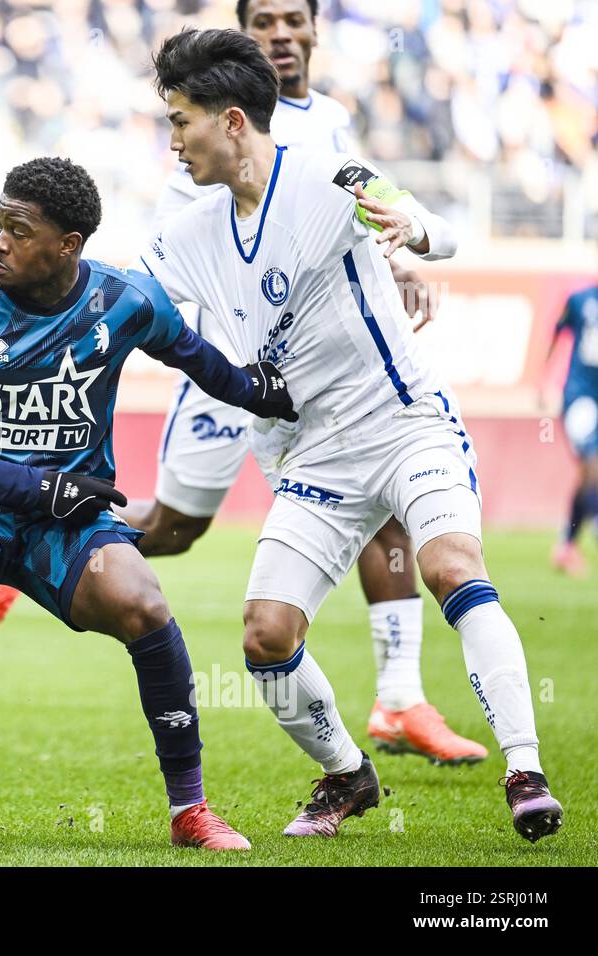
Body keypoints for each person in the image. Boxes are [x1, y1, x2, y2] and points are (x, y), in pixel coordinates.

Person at [0, 0, 486, 771]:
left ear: (314, 30)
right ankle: (24, 561)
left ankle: (400, 698)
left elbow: (358, 210)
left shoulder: (329, 124)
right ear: (244, 40)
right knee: (175, 529)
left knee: (388, 507)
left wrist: (397, 253)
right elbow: (161, 267)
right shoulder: (206, 124)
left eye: (293, 19)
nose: (280, 33)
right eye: (263, 20)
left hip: (319, 373)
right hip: (220, 354)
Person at [132, 27, 560, 842]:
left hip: (405, 423)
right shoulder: (189, 231)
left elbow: (438, 228)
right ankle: (346, 776)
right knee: (265, 635)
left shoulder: (331, 173)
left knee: (450, 564)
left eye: (180, 120)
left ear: (229, 121)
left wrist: (410, 225)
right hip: (315, 456)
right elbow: (123, 303)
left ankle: (523, 767)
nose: (174, 140)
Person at [0, 157, 297, 849]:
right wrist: (39, 486)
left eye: (17, 229)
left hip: (69, 523)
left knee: (146, 605)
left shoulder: (126, 300)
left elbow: (191, 355)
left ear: (67, 244)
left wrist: (259, 391)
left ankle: (191, 811)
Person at [546, 283, 598, 577]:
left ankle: (566, 545)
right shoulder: (580, 300)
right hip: (581, 397)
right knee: (592, 463)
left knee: (588, 476)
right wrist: (544, 379)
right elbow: (558, 331)